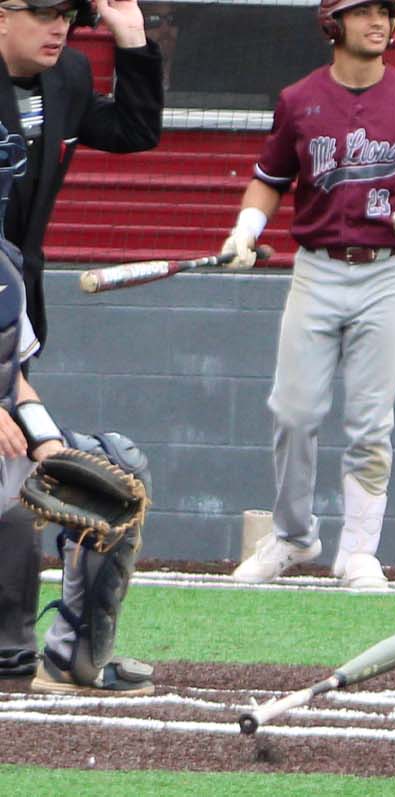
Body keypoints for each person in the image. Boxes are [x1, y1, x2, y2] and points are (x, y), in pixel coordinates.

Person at [225, 0, 395, 590]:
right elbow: (269, 180)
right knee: (293, 411)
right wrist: (246, 229)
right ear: (333, 23)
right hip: (317, 269)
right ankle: (293, 535)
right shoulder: (299, 100)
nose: (378, 22)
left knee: (370, 423)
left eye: (385, 11)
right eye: (362, 12)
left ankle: (359, 551)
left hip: (386, 272)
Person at [0, 0, 162, 685]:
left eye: (66, 11)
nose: (58, 25)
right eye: (40, 11)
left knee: (96, 472)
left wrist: (131, 37)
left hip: (10, 302)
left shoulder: (64, 75)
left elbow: (134, 129)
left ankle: (68, 653)